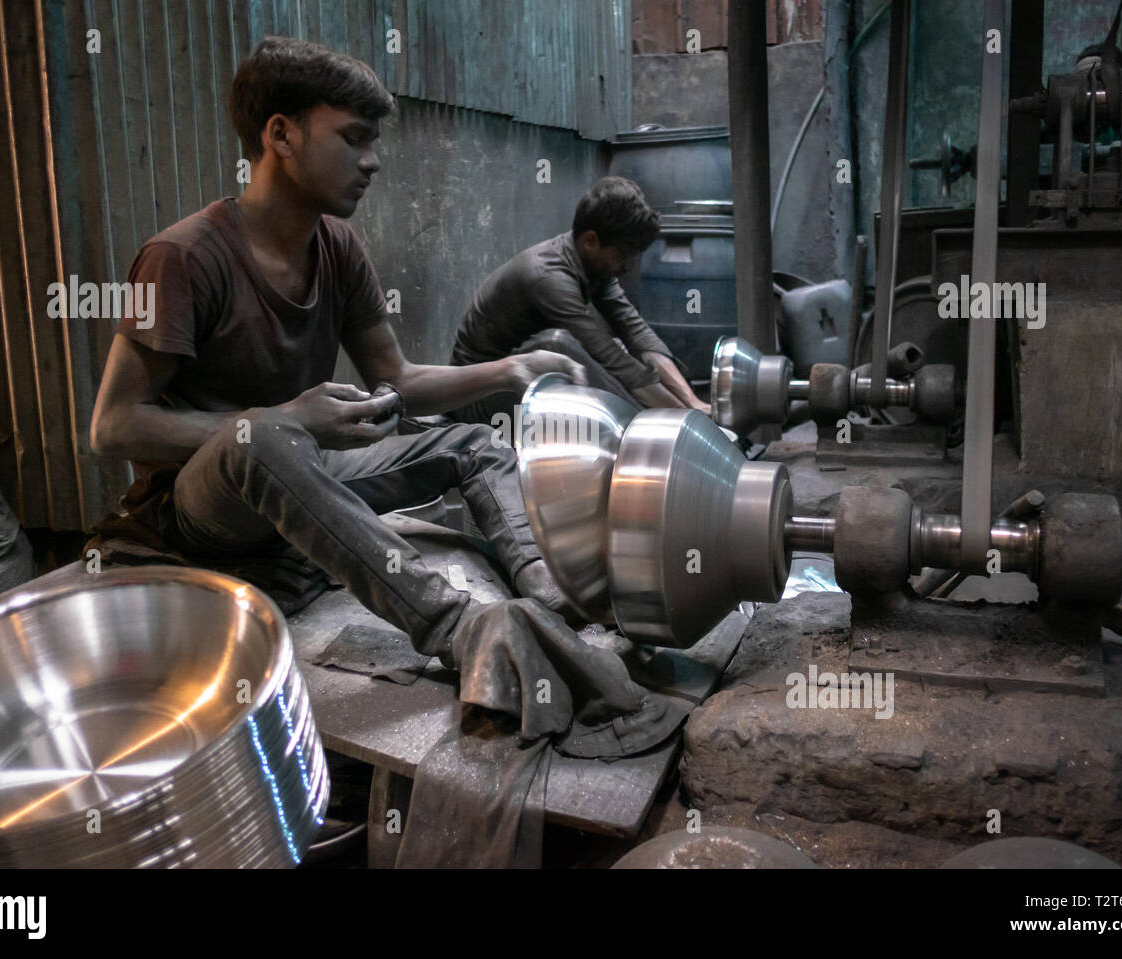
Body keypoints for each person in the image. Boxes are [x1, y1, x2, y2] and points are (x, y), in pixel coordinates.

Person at [89, 37, 586, 664]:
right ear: (281, 135)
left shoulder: (339, 248)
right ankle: (457, 626)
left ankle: (545, 586)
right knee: (264, 438)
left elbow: (397, 377)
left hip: (308, 472)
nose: (372, 161)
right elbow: (112, 427)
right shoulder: (181, 258)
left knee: (474, 444)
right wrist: (291, 421)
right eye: (354, 138)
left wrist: (512, 369)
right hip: (204, 510)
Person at [447, 176, 710, 425]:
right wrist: (681, 421)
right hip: (476, 398)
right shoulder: (548, 278)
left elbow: (635, 332)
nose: (628, 266)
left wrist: (693, 404)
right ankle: (645, 432)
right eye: (623, 255)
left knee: (610, 347)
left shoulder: (595, 266)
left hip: (519, 380)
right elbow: (611, 359)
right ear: (591, 241)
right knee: (561, 347)